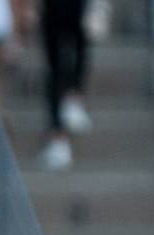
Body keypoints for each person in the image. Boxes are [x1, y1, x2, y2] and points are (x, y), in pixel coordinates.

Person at [37, 0, 91, 171]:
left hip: (73, 10)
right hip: (54, 10)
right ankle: (57, 133)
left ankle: (74, 96)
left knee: (76, 47)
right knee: (55, 67)